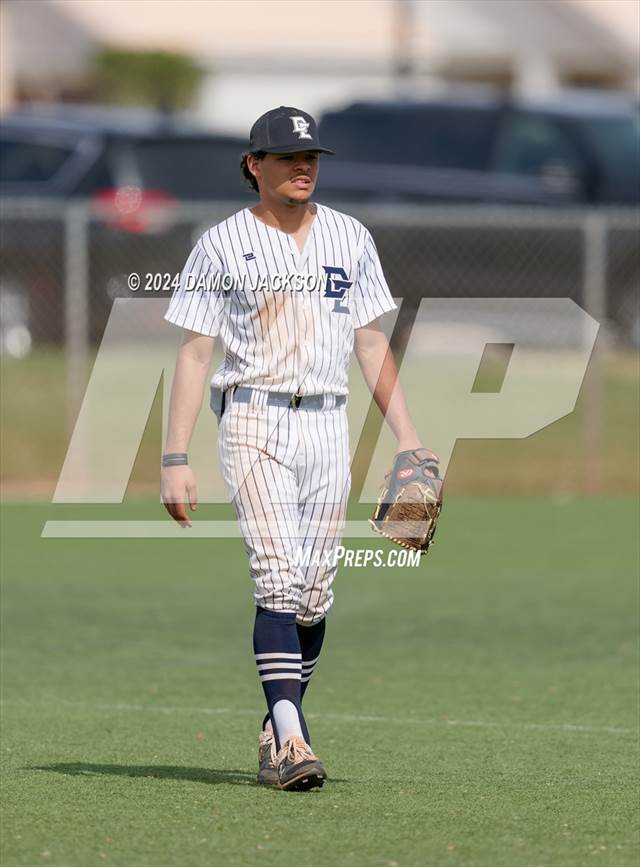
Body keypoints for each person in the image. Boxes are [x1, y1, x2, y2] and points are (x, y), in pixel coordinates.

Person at [161, 106, 425, 791]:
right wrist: (175, 455)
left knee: (313, 594)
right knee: (277, 578)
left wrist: (410, 438)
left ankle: (277, 728)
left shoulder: (350, 237)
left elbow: (371, 343)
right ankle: (292, 733)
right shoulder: (221, 244)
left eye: (310, 157)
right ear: (254, 165)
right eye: (287, 157)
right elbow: (194, 351)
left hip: (328, 424)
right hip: (254, 418)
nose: (303, 166)